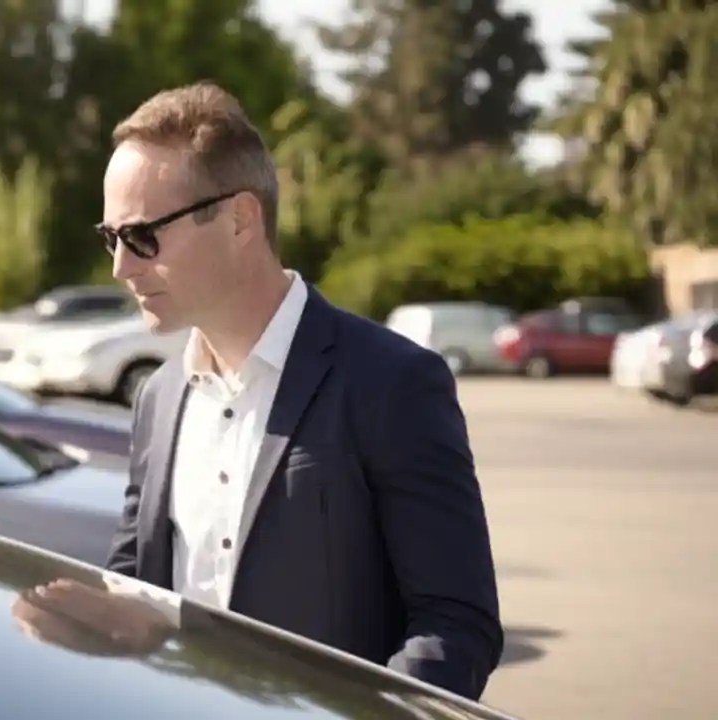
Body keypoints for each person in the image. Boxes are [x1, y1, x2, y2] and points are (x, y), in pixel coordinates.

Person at [99, 81, 503, 701]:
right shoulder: (159, 397)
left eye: (142, 236)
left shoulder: (392, 382)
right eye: (111, 238)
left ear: (240, 220)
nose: (122, 267)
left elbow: (455, 625)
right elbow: (135, 587)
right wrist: (76, 629)